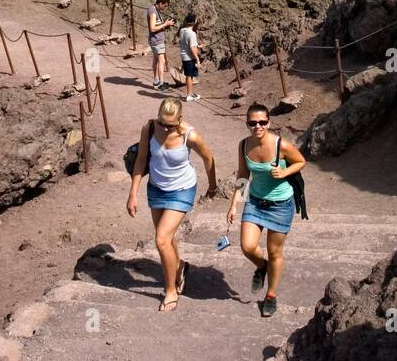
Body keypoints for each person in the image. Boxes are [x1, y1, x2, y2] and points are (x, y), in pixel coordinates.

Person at [126, 97, 216, 312]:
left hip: (182, 189)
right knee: (167, 237)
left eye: (171, 124)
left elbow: (208, 158)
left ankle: (170, 290)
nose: (165, 128)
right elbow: (140, 160)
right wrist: (133, 193)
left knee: (161, 239)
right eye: (162, 122)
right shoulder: (149, 128)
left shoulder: (189, 135)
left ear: (180, 119)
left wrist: (213, 187)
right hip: (156, 187)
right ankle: (180, 267)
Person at [228, 103, 306, 317]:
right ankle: (262, 267)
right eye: (253, 123)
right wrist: (234, 203)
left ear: (269, 122)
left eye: (262, 122)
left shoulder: (282, 145)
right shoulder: (244, 145)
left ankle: (271, 295)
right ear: (247, 124)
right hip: (255, 201)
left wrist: (284, 172)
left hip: (280, 205)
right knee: (247, 246)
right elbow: (243, 175)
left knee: (275, 253)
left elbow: (300, 161)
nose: (258, 126)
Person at [147, 0, 174, 89]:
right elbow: (153, 28)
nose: (165, 8)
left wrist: (165, 24)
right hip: (157, 40)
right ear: (160, 3)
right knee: (161, 61)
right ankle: (160, 84)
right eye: (165, 5)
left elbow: (156, 25)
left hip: (155, 39)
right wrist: (165, 24)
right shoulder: (153, 12)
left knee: (156, 60)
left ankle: (156, 81)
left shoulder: (154, 10)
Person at [179, 14, 201, 102]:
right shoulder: (192, 34)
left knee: (190, 75)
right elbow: (192, 48)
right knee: (189, 76)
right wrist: (197, 59)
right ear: (194, 22)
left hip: (184, 55)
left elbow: (186, 43)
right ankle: (189, 95)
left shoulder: (182, 30)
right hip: (189, 57)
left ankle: (191, 93)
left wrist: (198, 45)